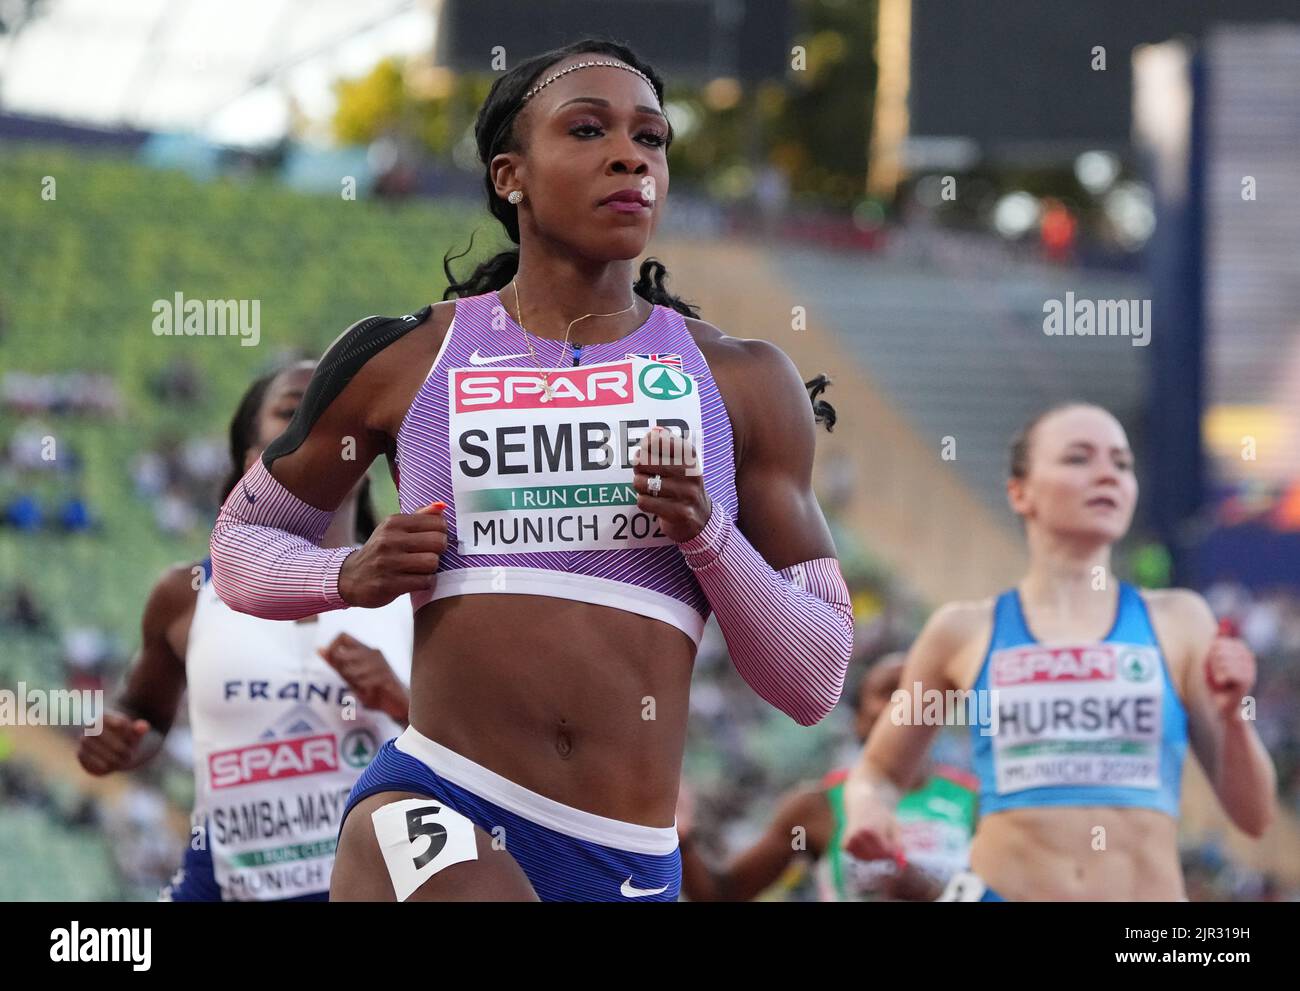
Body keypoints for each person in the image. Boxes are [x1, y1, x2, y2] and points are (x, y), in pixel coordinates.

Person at [208, 37, 854, 902]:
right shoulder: (405, 358)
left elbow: (813, 679)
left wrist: (709, 536)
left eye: (652, 138)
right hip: (437, 793)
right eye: (587, 130)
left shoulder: (743, 381)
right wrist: (348, 570)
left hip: (626, 855)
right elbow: (242, 543)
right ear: (509, 176)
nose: (631, 154)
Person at [843, 403, 1277, 901]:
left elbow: (1255, 816)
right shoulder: (961, 632)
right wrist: (868, 810)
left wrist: (1234, 718)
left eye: (1121, 463)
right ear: (1019, 492)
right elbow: (877, 773)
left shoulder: (1181, 621)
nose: (1107, 475)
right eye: (1078, 458)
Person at [77, 364, 413, 901]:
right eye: (294, 410)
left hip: (375, 885)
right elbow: (143, 714)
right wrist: (116, 736)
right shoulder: (186, 596)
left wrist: (403, 704)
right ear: (251, 462)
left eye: (335, 412)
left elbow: (489, 756)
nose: (318, 425)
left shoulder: (417, 591)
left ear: (366, 457)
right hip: (222, 884)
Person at [679, 653, 976, 901]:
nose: (902, 701)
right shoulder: (815, 807)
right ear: (859, 720)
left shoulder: (977, 801)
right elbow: (723, 894)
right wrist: (682, 838)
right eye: (888, 690)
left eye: (915, 689)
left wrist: (936, 894)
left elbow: (1014, 890)